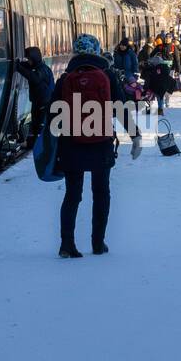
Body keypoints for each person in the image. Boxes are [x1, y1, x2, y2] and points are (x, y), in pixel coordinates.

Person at [50, 34, 140, 258]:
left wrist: (52, 144)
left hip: (71, 143)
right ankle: (98, 243)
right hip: (100, 142)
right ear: (98, 51)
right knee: (101, 192)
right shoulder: (107, 76)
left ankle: (66, 245)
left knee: (72, 195)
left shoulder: (66, 78)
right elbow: (120, 108)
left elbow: (52, 115)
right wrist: (135, 136)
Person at [15, 45, 54, 149]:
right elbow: (28, 67)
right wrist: (19, 64)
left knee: (40, 125)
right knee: (35, 124)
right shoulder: (37, 67)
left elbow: (35, 78)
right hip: (38, 101)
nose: (28, 61)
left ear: (34, 59)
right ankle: (33, 143)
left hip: (43, 102)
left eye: (29, 59)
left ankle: (38, 145)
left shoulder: (42, 70)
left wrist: (19, 68)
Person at [142, 46, 175, 115]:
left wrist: (144, 90)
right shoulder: (165, 68)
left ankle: (149, 108)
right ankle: (160, 109)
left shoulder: (151, 70)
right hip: (163, 86)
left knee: (150, 96)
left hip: (155, 86)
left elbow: (148, 81)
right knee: (160, 97)